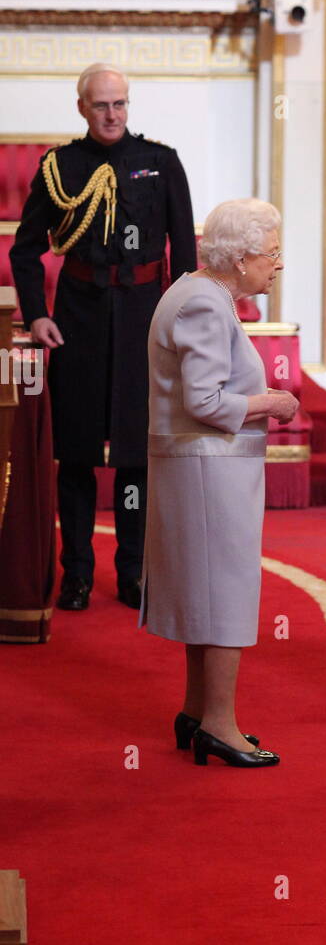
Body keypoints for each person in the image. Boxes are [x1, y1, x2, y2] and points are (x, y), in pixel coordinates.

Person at [10, 63, 197, 611]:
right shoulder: (59, 166)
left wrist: (182, 322)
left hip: (144, 316)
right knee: (77, 452)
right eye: (100, 106)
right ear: (82, 108)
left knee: (136, 457)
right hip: (79, 316)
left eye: (119, 104)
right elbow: (26, 251)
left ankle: (134, 572)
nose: (111, 114)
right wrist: (37, 314)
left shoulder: (160, 163)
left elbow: (183, 254)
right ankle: (77, 575)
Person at [140, 199, 298, 767]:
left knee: (207, 592)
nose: (277, 265)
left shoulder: (198, 291)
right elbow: (204, 400)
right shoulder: (204, 303)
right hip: (209, 468)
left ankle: (196, 711)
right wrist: (271, 402)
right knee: (226, 591)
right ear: (239, 257)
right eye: (272, 253)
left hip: (203, 466)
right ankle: (220, 725)